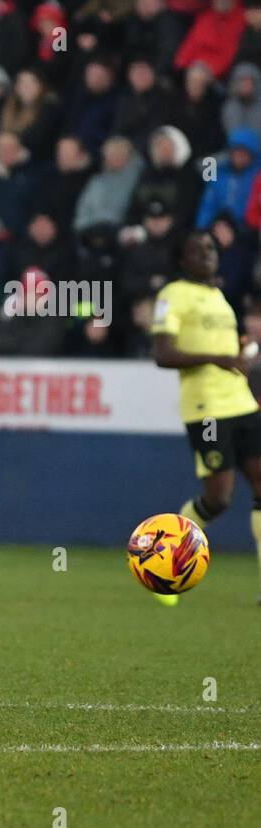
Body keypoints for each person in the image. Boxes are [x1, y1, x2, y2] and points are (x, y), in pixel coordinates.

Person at [152, 230, 261, 605]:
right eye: (197, 251)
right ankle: (162, 568)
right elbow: (163, 354)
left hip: (242, 403)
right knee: (218, 498)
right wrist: (219, 359)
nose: (207, 255)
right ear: (182, 261)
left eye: (211, 249)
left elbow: (229, 353)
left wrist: (241, 353)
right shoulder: (172, 296)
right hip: (206, 409)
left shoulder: (220, 298)